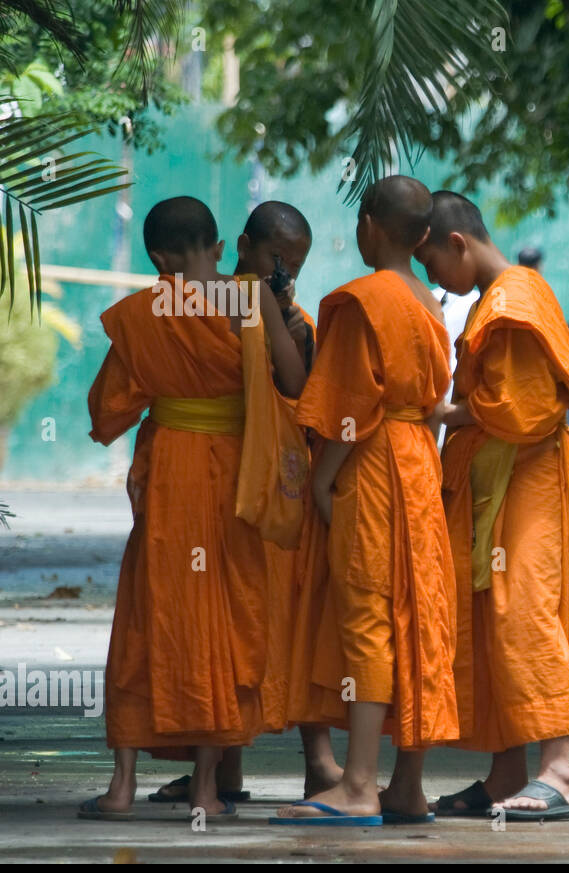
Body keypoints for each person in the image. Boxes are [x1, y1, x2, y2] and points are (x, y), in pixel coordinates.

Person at [80, 196, 304, 821]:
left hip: (171, 478)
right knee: (228, 622)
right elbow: (293, 383)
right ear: (216, 245)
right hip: (239, 478)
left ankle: (121, 788)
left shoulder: (144, 313)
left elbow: (108, 412)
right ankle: (207, 790)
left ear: (157, 258)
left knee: (148, 618)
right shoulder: (247, 299)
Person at [145, 201, 344, 806]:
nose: (288, 272)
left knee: (294, 620)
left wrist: (278, 309)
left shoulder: (294, 317)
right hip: (221, 483)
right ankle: (221, 769)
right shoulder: (201, 301)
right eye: (277, 258)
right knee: (230, 622)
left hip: (280, 484)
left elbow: (303, 392)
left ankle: (321, 762)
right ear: (241, 245)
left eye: (299, 264)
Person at [273, 175, 457, 825]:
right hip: (417, 464)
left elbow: (352, 408)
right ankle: (406, 785)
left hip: (373, 463)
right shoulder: (430, 304)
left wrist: (323, 479)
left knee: (369, 618)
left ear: (371, 225)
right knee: (418, 616)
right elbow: (431, 405)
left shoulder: (357, 301)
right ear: (425, 237)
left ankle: (356, 786)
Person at [416, 191, 569, 821]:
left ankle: (560, 770)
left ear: (457, 243)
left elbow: (530, 407)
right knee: (489, 615)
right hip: (494, 476)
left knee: (528, 612)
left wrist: (446, 412)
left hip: (532, 473)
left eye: (432, 264)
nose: (434, 279)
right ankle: (506, 770)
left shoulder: (517, 297)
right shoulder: (492, 298)